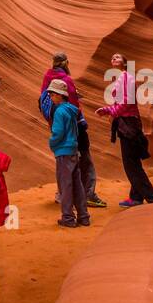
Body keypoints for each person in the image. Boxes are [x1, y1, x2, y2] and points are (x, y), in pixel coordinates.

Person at [40, 52, 107, 207]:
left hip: (55, 123)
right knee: (85, 159)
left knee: (63, 162)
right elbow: (73, 106)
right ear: (66, 63)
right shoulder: (66, 80)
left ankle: (62, 194)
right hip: (73, 127)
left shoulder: (47, 77)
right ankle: (88, 194)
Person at [96, 53, 153, 206]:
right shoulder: (120, 78)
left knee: (130, 164)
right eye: (112, 57)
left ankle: (152, 197)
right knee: (133, 162)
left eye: (117, 57)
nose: (113, 59)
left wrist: (112, 112)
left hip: (129, 124)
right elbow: (122, 102)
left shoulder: (126, 77)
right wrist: (107, 110)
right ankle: (136, 197)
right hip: (128, 122)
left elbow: (127, 101)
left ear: (124, 63)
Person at [48, 79, 90, 228]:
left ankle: (68, 217)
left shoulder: (59, 111)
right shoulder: (72, 110)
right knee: (77, 184)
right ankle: (83, 216)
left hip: (63, 152)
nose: (51, 98)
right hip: (73, 150)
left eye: (52, 95)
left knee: (65, 186)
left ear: (60, 95)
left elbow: (58, 132)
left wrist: (52, 143)